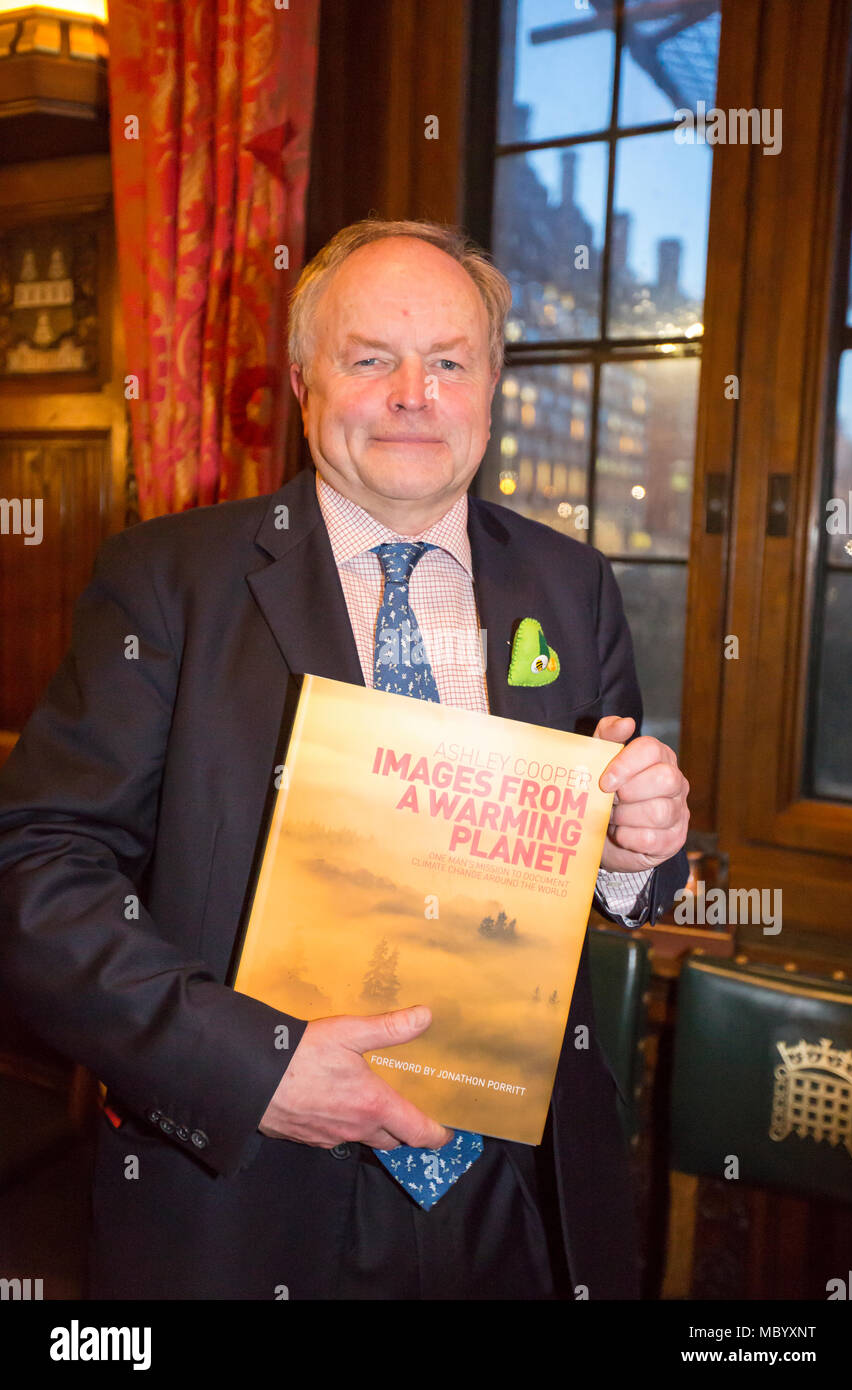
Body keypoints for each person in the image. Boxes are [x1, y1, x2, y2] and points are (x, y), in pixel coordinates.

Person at [0, 219, 689, 1300]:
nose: (414, 392)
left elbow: (621, 861)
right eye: (371, 358)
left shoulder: (571, 585)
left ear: (491, 383)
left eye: (449, 362)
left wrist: (638, 848)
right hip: (243, 1188)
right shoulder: (166, 580)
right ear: (301, 380)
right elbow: (37, 870)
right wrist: (250, 1068)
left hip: (513, 1191)